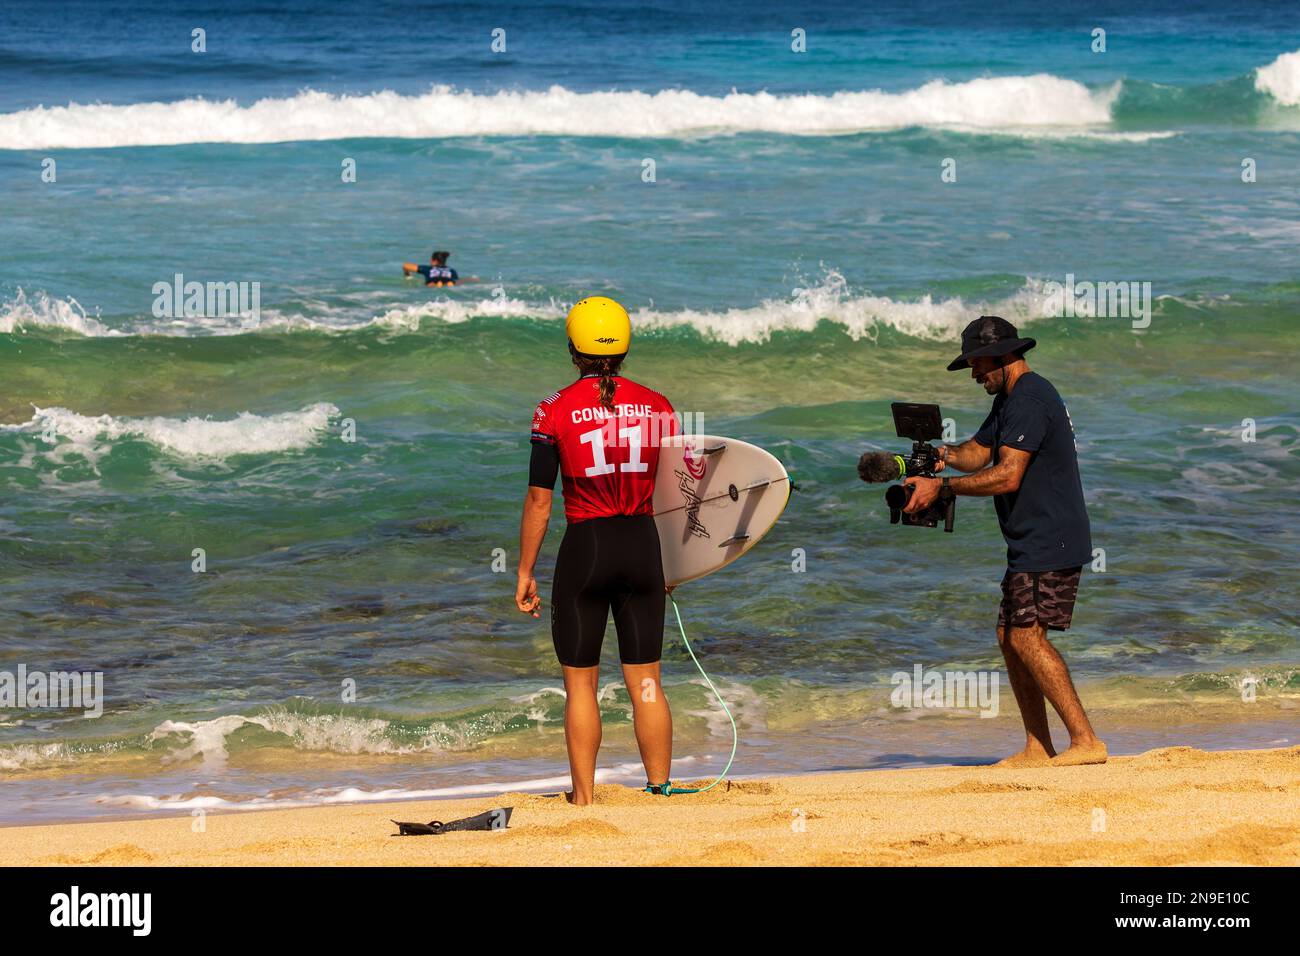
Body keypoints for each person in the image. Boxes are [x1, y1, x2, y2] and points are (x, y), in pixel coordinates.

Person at [903, 315, 1107, 767]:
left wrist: (946, 489)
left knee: (1028, 638)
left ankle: (1087, 741)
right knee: (1010, 636)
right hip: (1031, 539)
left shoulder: (1031, 398)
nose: (974, 374)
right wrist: (938, 457)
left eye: (977, 364)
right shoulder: (1011, 399)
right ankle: (1039, 746)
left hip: (1049, 538)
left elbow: (1009, 474)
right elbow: (978, 453)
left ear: (1003, 356)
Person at [514, 296, 679, 804]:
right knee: (646, 680)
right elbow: (676, 495)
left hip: (586, 549)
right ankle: (660, 787)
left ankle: (584, 798)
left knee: (581, 685)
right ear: (624, 348)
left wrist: (524, 571)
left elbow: (540, 501)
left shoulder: (553, 410)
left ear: (573, 349)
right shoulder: (659, 406)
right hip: (643, 547)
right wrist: (671, 563)